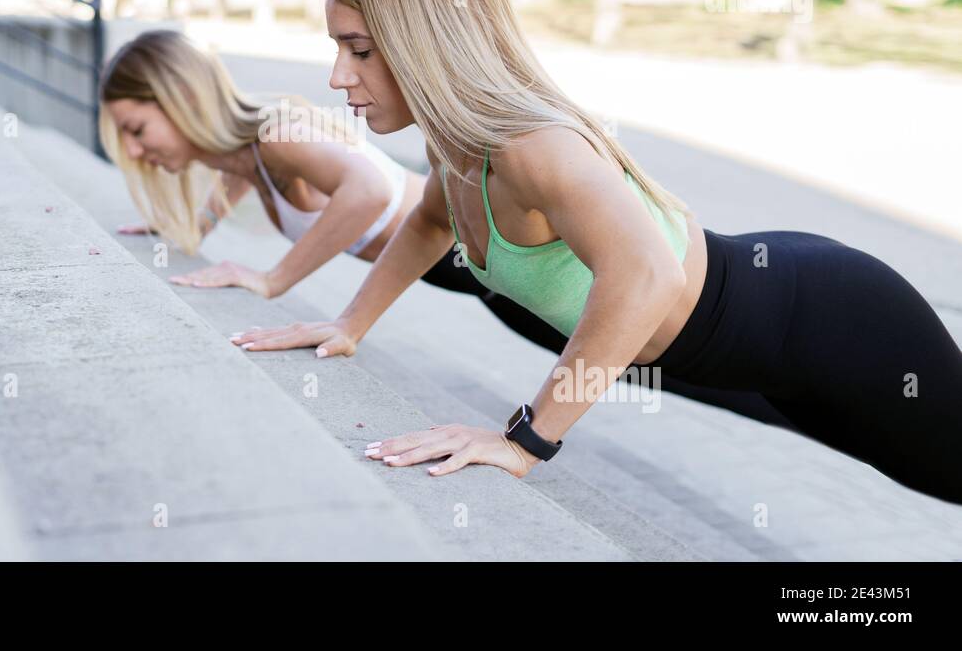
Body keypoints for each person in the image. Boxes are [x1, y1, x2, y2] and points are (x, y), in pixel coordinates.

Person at [230, 0, 962, 505]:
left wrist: (525, 441)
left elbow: (645, 276)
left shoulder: (529, 146)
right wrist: (349, 324)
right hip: (752, 360)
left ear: (426, 41)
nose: (336, 75)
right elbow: (426, 222)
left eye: (358, 50)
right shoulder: (461, 150)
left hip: (832, 319)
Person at [101, 30, 802, 431]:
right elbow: (244, 181)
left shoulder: (276, 137)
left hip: (468, 258)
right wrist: (188, 229)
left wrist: (271, 279)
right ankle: (787, 393)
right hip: (479, 279)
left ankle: (797, 390)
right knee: (658, 367)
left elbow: (369, 188)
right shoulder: (249, 155)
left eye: (137, 129)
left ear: (179, 100)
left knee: (666, 357)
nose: (136, 151)